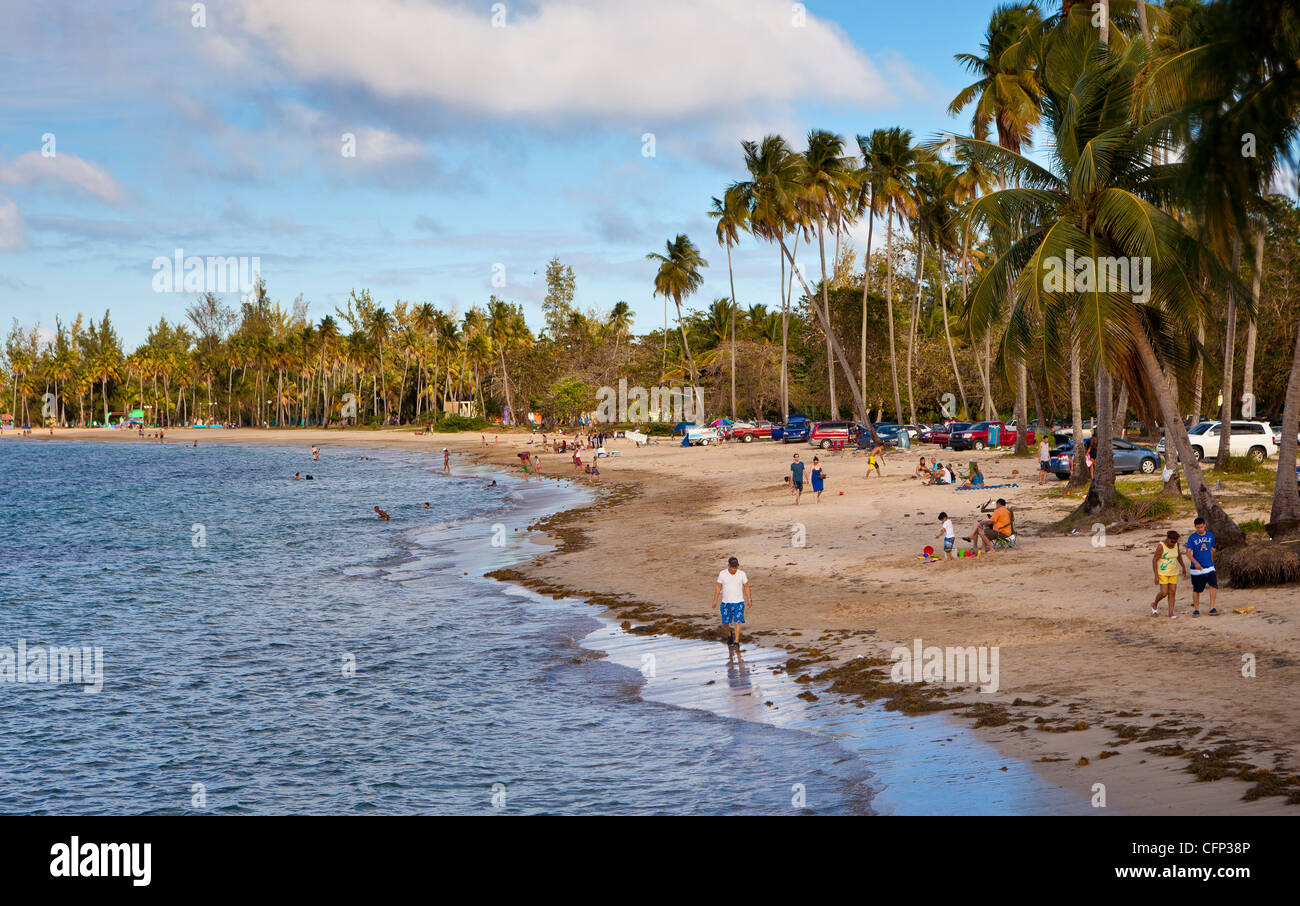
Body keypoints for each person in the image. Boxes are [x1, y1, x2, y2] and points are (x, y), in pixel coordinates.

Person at [712, 556, 752, 649]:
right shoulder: (722, 574)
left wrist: (749, 599)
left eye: (736, 567)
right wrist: (715, 600)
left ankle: (736, 641)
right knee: (725, 623)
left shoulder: (742, 574)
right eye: (733, 567)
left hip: (739, 602)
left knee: (737, 622)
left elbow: (746, 586)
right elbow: (718, 587)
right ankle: (730, 635)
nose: (734, 569)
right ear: (728, 566)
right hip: (726, 603)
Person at [1186, 517, 1220, 616]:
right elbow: (1188, 553)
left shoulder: (1210, 535)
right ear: (1195, 527)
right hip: (1197, 568)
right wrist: (1195, 563)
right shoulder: (1192, 537)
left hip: (1209, 566)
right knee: (1197, 589)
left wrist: (1212, 560)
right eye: (1198, 528)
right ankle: (1196, 609)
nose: (1200, 529)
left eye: (1201, 527)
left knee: (1214, 585)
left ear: (1204, 525)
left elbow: (1212, 549)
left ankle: (1212, 607)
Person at [1151, 529, 1187, 618]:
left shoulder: (1176, 545)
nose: (1173, 544)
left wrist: (1183, 566)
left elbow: (1178, 555)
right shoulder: (1161, 546)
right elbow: (1154, 560)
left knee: (1172, 592)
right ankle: (1154, 604)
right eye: (1171, 541)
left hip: (1174, 572)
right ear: (1168, 538)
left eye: (1175, 542)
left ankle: (1171, 613)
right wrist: (1156, 576)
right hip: (1163, 572)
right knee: (1164, 592)